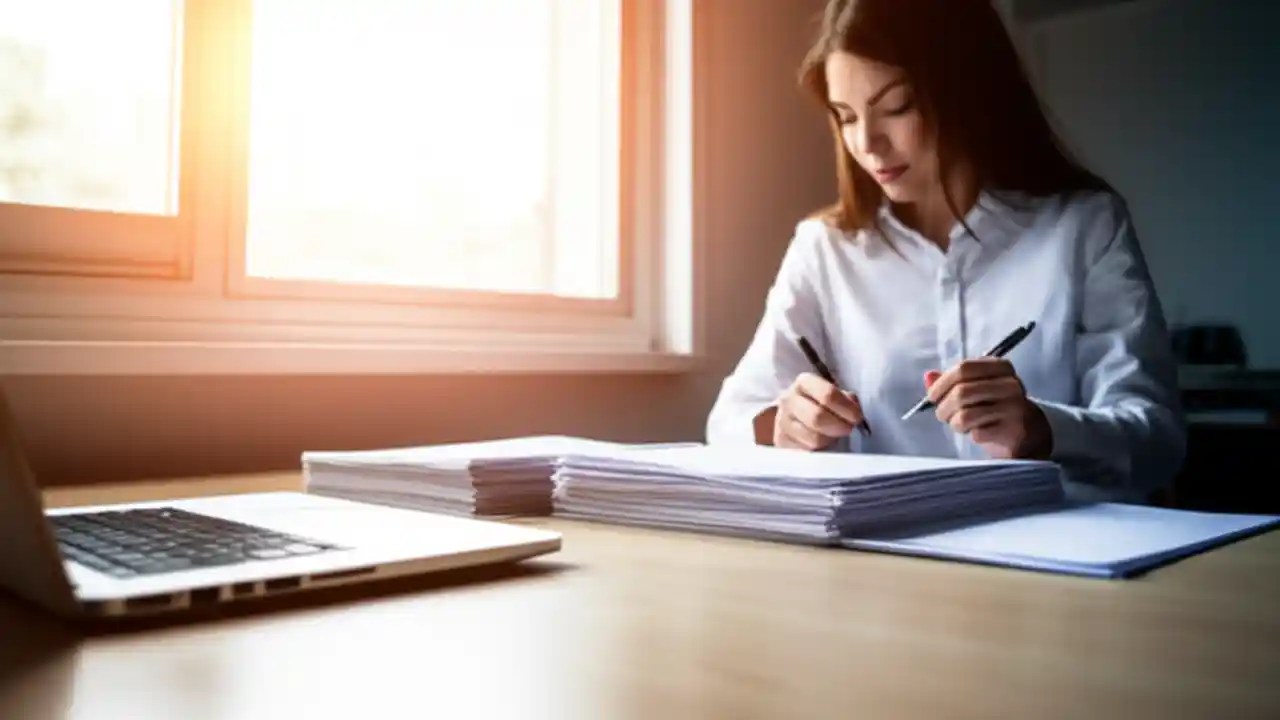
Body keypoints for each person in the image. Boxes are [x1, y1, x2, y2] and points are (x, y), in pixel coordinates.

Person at [704, 0, 1186, 503]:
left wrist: (1041, 428)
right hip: (888, 562)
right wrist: (784, 425)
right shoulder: (825, 250)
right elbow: (726, 423)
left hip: (1060, 561)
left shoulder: (1082, 226)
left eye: (896, 107)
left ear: (967, 90)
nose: (868, 142)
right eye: (846, 117)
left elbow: (1157, 440)